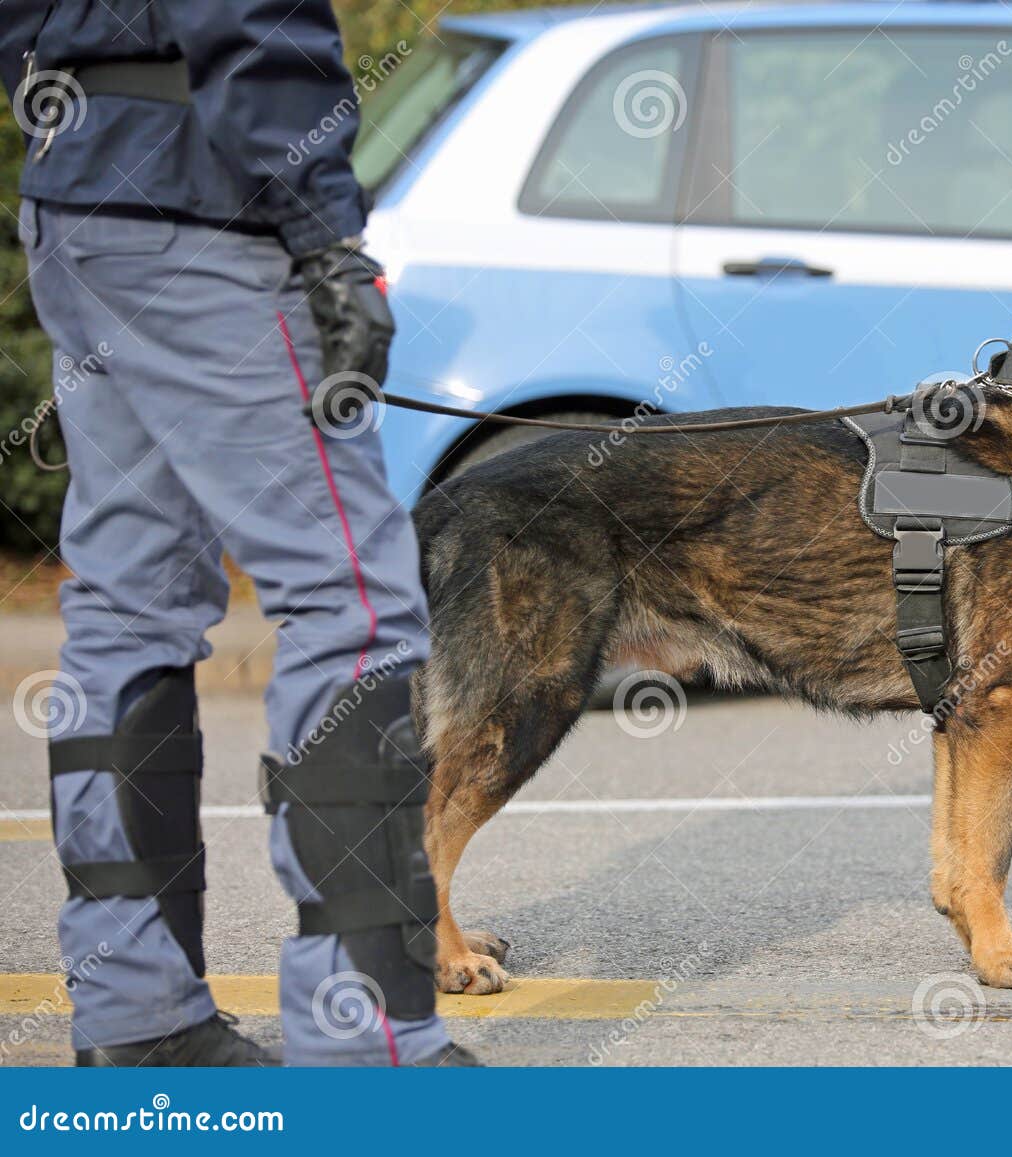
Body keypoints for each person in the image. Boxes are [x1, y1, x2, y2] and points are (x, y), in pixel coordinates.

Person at [2, 1, 475, 1066]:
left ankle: (138, 1016)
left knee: (126, 607)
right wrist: (327, 237)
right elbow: (247, 17)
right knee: (352, 599)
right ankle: (368, 1042)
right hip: (204, 202)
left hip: (82, 189)